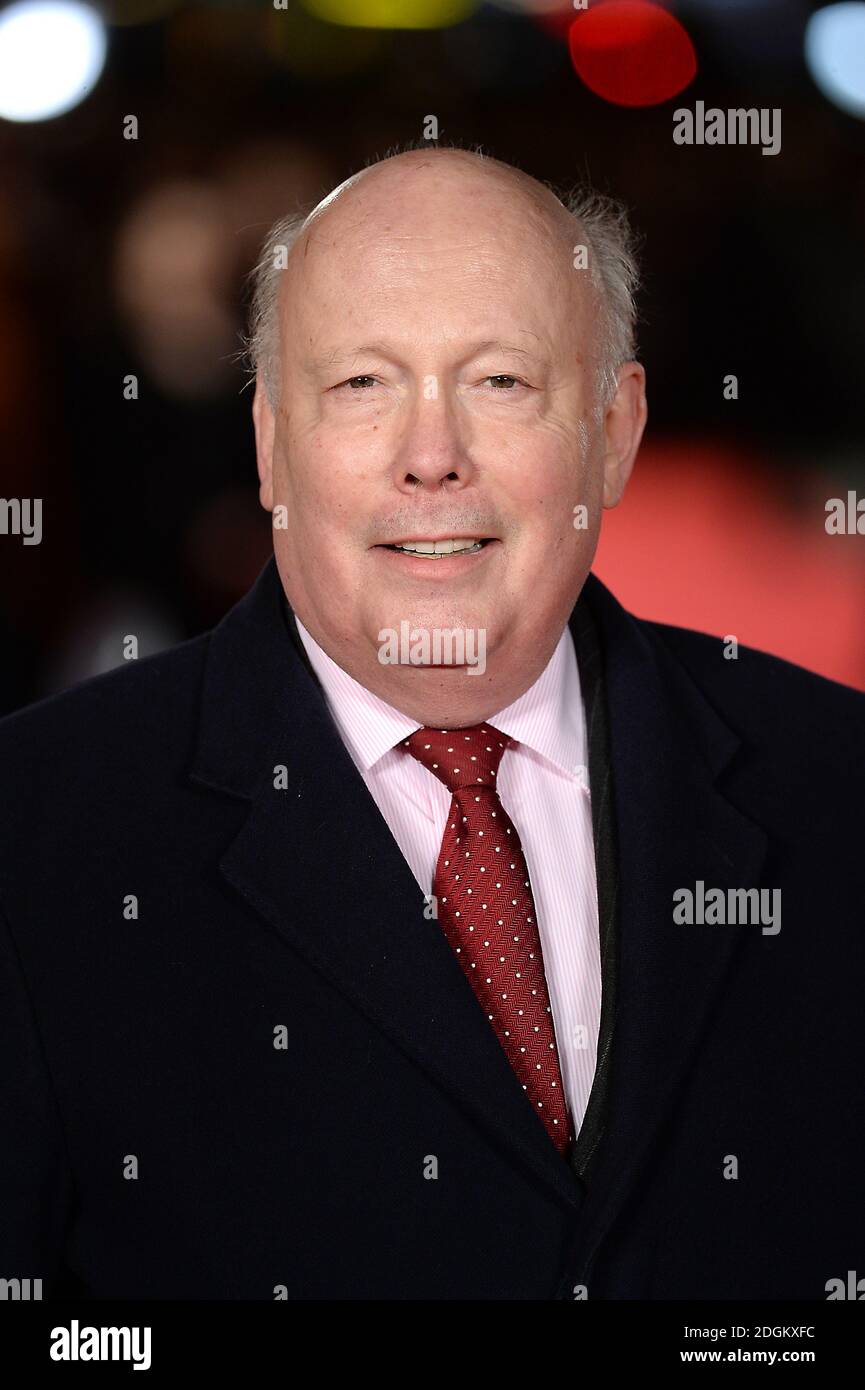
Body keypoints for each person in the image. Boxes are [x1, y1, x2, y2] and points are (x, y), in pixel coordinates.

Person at [1, 147, 862, 1301]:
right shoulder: (33, 831)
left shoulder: (837, 783)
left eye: (501, 382)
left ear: (614, 431)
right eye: (361, 384)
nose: (430, 457)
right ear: (268, 444)